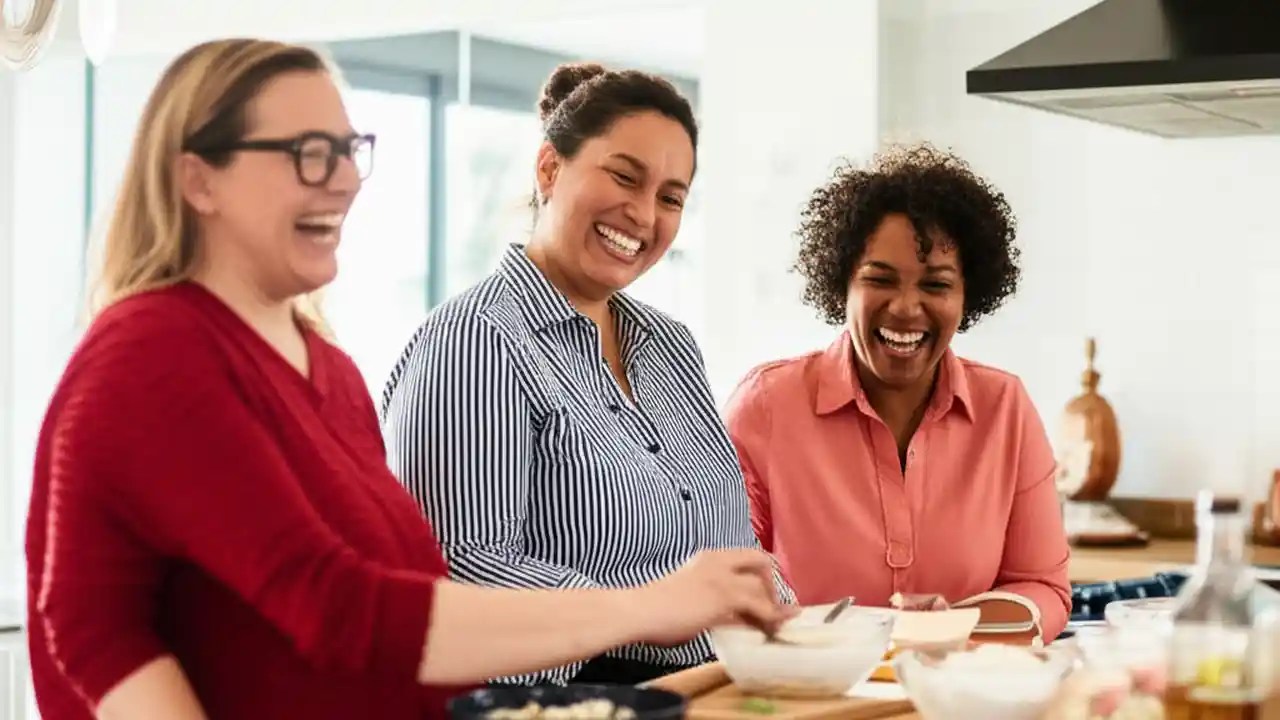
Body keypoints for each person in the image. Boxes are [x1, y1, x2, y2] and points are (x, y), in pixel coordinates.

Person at [25, 39, 790, 720]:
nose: (346, 181)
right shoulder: (151, 351)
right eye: (306, 153)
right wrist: (648, 607)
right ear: (200, 180)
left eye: (348, 149)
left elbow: (407, 592)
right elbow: (102, 630)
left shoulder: (328, 369)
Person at [380, 62, 795, 687]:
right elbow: (460, 571)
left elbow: (730, 548)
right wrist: (647, 613)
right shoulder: (475, 340)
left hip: (716, 686)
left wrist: (790, 613)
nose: (643, 214)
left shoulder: (671, 347)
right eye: (624, 177)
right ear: (550, 168)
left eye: (671, 198)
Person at [723, 143, 1072, 641]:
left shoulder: (1005, 409)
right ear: (841, 283)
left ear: (966, 296)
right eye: (880, 280)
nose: (907, 308)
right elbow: (728, 589)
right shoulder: (766, 407)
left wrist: (952, 628)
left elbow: (1043, 588)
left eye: (936, 285)